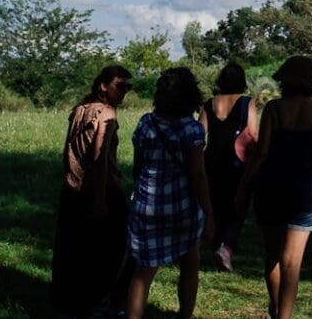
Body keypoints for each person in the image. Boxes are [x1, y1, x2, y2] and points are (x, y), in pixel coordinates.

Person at [237, 56, 312, 319]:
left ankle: (275, 307)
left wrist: (244, 185)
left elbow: (261, 153)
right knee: (291, 262)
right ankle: (284, 316)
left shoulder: (274, 109)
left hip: (270, 188)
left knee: (272, 256)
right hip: (303, 193)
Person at [125, 68, 214, 319]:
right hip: (183, 208)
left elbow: (137, 166)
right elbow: (198, 175)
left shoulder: (145, 123)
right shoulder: (193, 129)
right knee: (190, 265)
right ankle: (184, 315)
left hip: (148, 205)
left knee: (143, 273)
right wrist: (209, 213)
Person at [50, 65, 134, 319]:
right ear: (103, 86)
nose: (124, 92)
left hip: (72, 190)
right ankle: (102, 304)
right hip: (100, 190)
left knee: (74, 251)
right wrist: (100, 200)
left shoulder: (79, 110)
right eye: (120, 86)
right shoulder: (106, 113)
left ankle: (70, 304)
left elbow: (69, 150)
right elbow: (99, 159)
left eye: (128, 87)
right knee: (112, 251)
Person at [202, 62, 256, 272]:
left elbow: (200, 131)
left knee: (215, 203)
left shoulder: (210, 103)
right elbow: (252, 133)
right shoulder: (246, 102)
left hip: (212, 158)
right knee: (237, 205)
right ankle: (226, 248)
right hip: (236, 159)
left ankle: (216, 244)